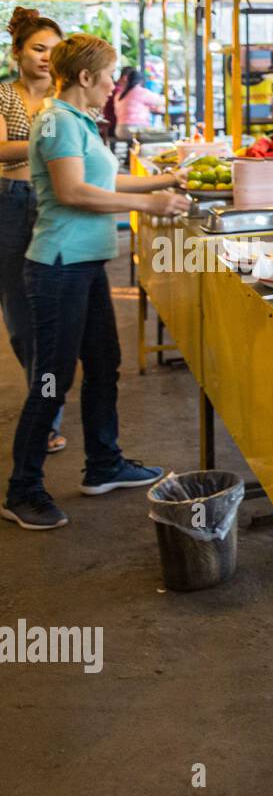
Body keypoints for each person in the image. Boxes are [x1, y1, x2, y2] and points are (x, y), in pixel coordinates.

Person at [3, 34, 191, 530]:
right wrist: (149, 204)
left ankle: (104, 464)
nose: (114, 84)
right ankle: (22, 489)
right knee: (51, 380)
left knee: (104, 363)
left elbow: (103, 181)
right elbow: (72, 191)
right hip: (58, 268)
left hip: (84, 266)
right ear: (86, 77)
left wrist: (163, 182)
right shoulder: (58, 121)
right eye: (109, 75)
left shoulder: (79, 120)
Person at [0, 7, 65, 456]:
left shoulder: (67, 97)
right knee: (22, 321)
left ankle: (47, 412)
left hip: (57, 207)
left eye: (54, 50)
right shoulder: (4, 96)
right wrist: (51, 145)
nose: (46, 57)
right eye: (38, 48)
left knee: (54, 319)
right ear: (17, 52)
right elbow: (1, 151)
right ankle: (41, 407)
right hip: (10, 204)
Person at [110, 66, 164, 141]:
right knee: (160, 135)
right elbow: (161, 101)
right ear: (140, 81)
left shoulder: (119, 94)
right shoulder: (140, 92)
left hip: (119, 130)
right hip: (136, 130)